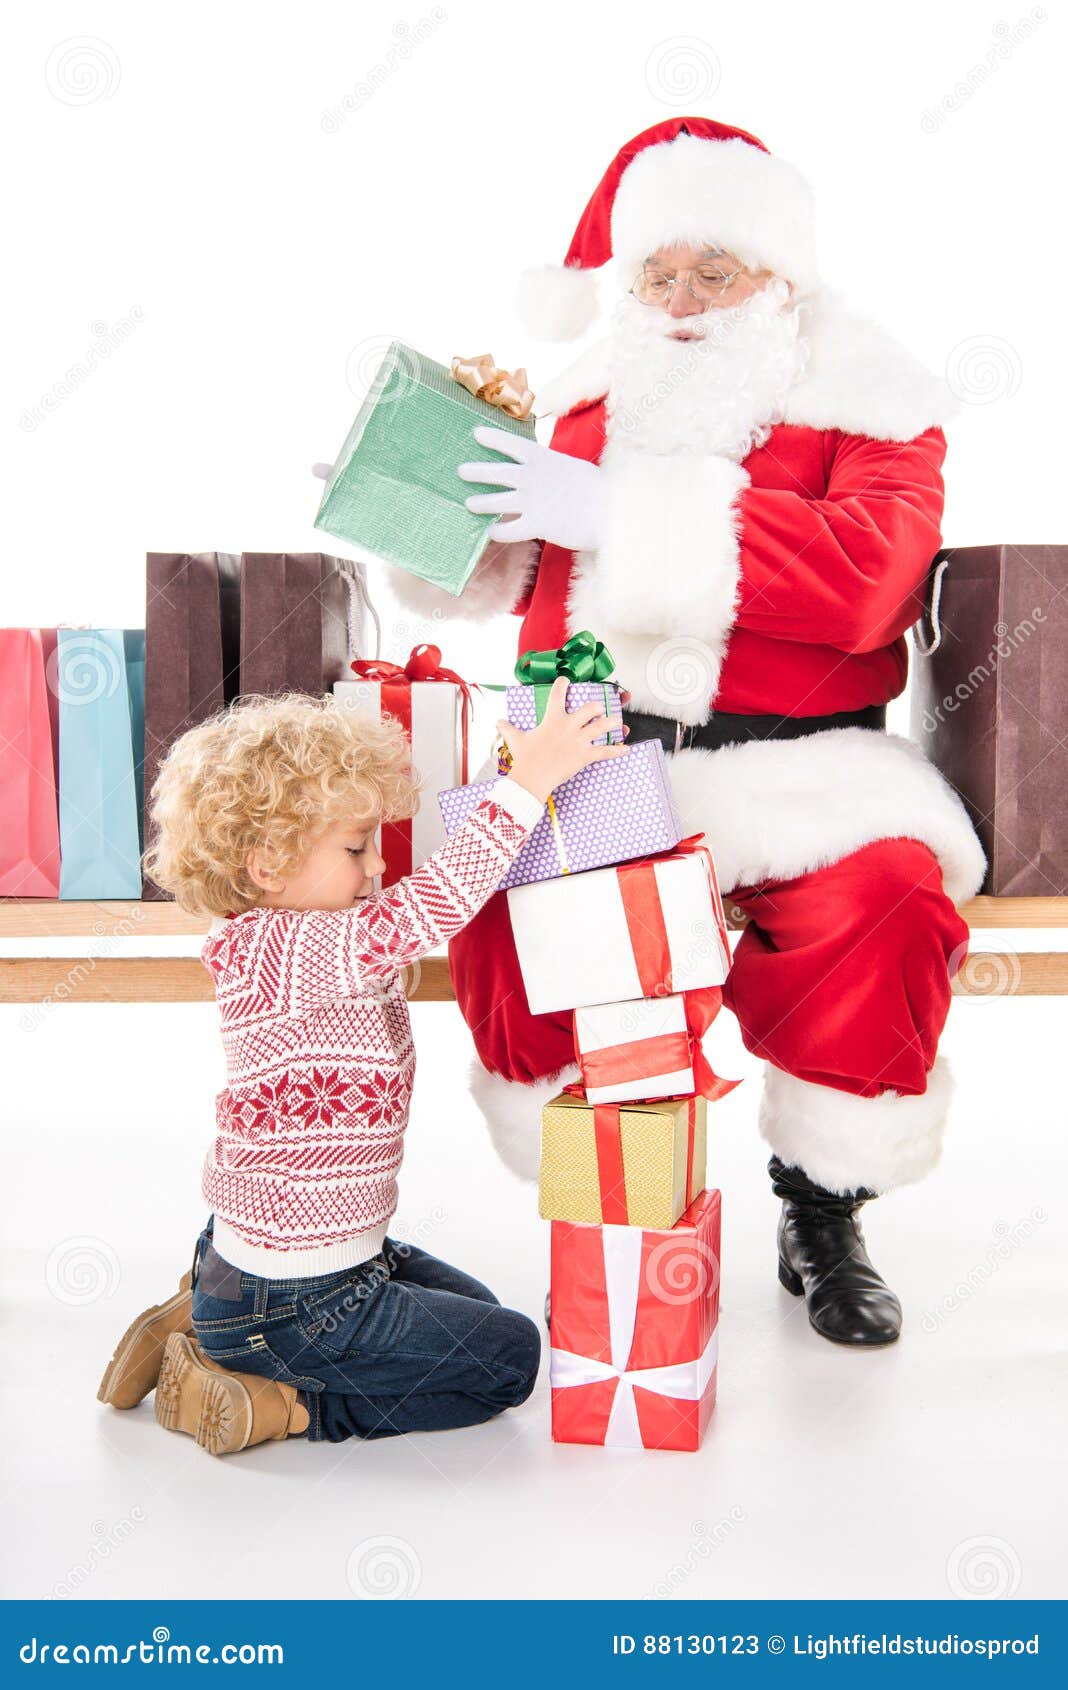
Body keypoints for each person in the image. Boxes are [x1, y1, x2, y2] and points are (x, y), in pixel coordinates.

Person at [385, 116, 987, 1349]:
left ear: (782, 274)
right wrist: (417, 503)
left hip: (805, 759)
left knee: (882, 897)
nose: (682, 299)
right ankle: (610, 1219)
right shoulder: (583, 398)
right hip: (593, 751)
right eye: (658, 274)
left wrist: (622, 511)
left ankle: (822, 1203)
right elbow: (510, 575)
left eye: (716, 270)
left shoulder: (872, 392)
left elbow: (869, 577)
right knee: (519, 905)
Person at [97, 681, 628, 1453]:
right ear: (267, 866)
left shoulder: (310, 935)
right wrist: (529, 782)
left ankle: (205, 1314)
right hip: (298, 1297)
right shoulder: (285, 947)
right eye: (355, 847)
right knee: (507, 1361)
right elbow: (437, 905)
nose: (379, 866)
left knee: (477, 1306)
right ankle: (276, 1401)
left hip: (298, 1264)